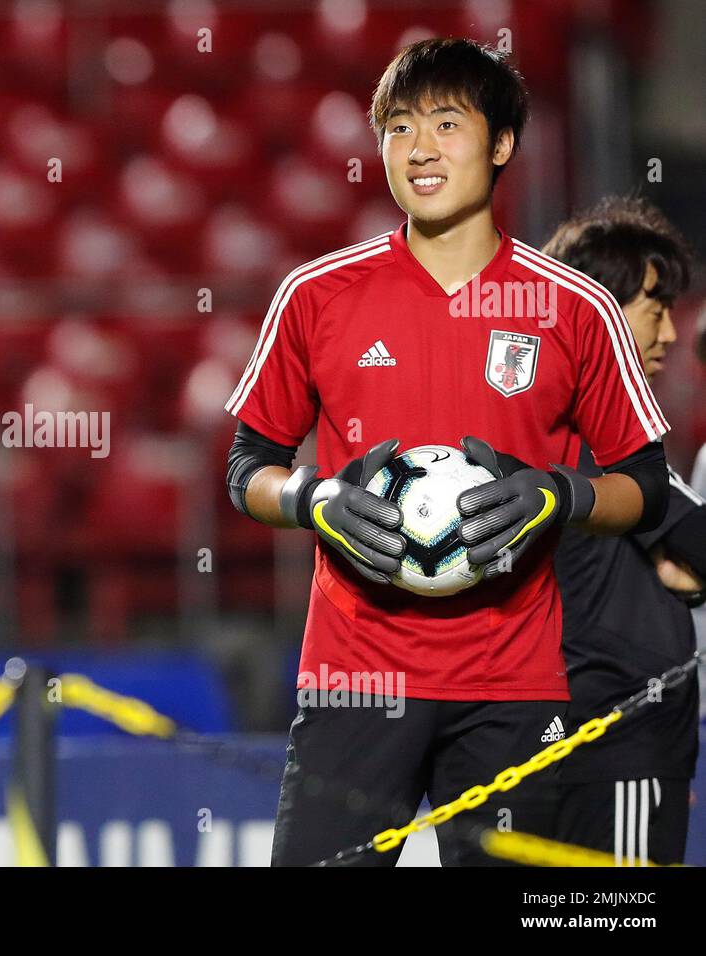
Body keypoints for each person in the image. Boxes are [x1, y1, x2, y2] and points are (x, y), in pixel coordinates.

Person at [225, 39, 670, 866]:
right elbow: (247, 466)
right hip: (355, 676)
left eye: (446, 122)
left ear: (502, 144)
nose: (419, 147)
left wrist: (558, 496)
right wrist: (310, 499)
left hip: (514, 685)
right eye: (397, 127)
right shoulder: (318, 295)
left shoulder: (573, 308)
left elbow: (643, 484)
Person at [542, 197, 703, 864]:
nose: (669, 334)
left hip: (561, 743)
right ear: (599, 312)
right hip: (616, 749)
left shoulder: (539, 417)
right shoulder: (607, 436)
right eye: (654, 310)